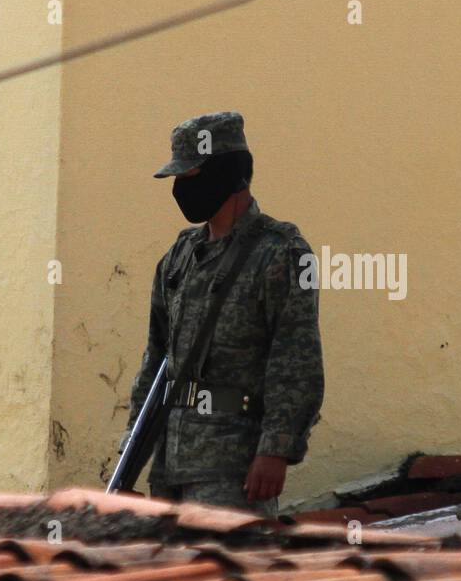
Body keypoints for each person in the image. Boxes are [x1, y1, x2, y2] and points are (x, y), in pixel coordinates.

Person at [126, 111, 323, 515]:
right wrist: (132, 456)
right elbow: (156, 359)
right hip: (170, 462)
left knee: (226, 575)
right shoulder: (180, 257)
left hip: (233, 466)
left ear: (227, 173)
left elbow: (295, 358)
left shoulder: (280, 252)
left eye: (191, 175)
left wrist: (276, 449)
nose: (181, 188)